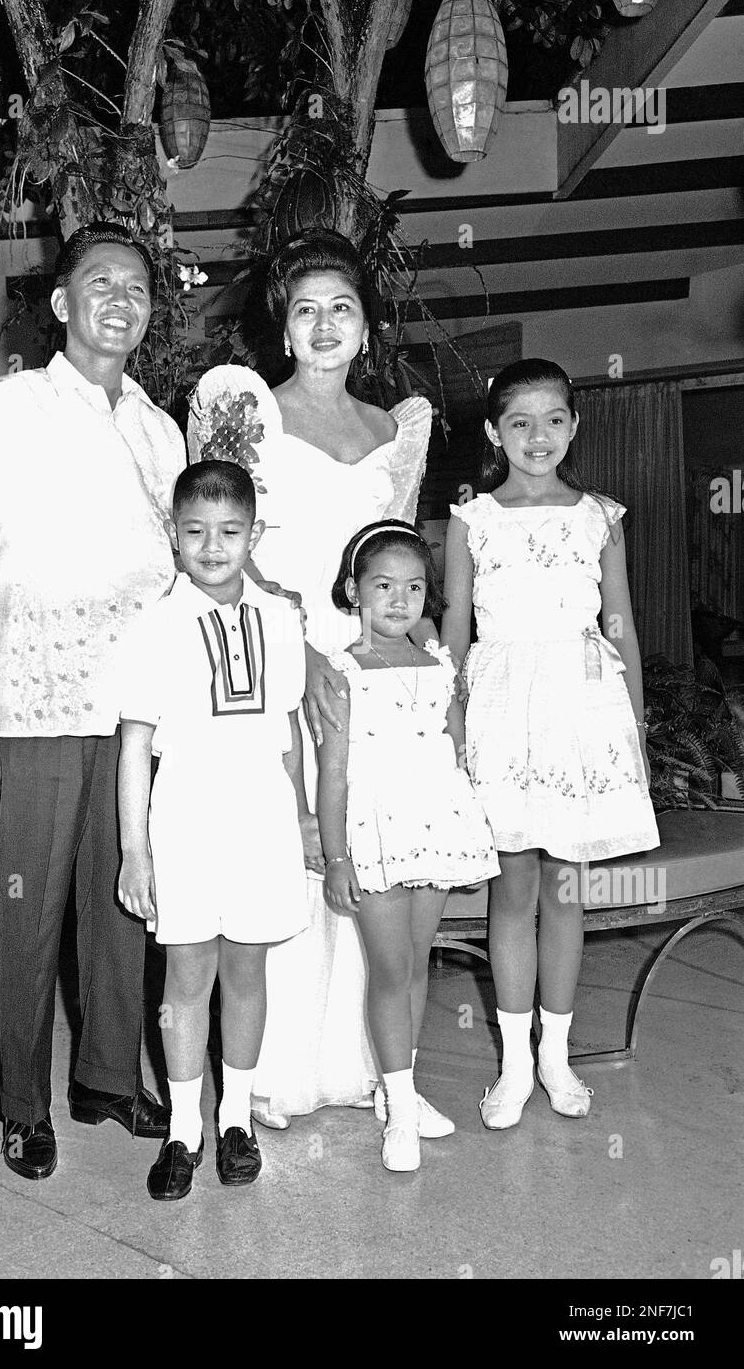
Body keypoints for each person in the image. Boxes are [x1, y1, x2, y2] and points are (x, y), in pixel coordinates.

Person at [0, 222, 186, 1179]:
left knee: (126, 887)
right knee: (26, 900)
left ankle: (108, 1079)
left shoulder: (158, 426)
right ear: (61, 303)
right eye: (100, 283)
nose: (120, 300)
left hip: (137, 697)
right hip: (38, 686)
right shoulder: (5, 406)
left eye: (136, 287)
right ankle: (23, 1103)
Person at [187, 229, 434, 1124]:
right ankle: (269, 1078)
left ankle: (373, 1070)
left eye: (342, 309)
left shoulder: (394, 431)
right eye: (305, 311)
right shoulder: (246, 414)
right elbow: (218, 550)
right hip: (275, 658)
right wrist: (300, 656)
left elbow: (394, 563)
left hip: (373, 670)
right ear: (281, 331)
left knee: (371, 856)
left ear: (366, 329)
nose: (324, 326)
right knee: (288, 858)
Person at [440, 358, 659, 1131]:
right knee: (515, 885)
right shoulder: (472, 521)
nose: (538, 436)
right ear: (495, 433)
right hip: (501, 707)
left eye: (554, 420)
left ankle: (556, 1055)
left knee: (569, 885)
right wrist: (456, 728)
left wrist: (631, 723)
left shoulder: (599, 515)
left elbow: (620, 624)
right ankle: (513, 1063)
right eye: (520, 423)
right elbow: (455, 633)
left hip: (581, 710)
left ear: (574, 425)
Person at [116, 461, 314, 1199]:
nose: (211, 545)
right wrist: (135, 851)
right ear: (172, 534)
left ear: (253, 534)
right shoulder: (155, 621)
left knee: (247, 970)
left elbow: (288, 734)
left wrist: (300, 818)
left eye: (229, 531)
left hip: (260, 814)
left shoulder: (280, 617)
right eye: (194, 531)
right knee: (187, 974)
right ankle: (182, 1129)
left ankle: (235, 1118)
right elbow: (136, 741)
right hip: (186, 817)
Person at [318, 521, 499, 1171]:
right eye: (383, 586)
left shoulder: (437, 665)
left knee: (419, 964)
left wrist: (466, 833)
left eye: (414, 587)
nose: (399, 600)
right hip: (375, 827)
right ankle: (396, 1109)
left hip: (433, 823)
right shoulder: (342, 671)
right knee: (389, 968)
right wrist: (336, 855)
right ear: (353, 591)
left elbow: (453, 750)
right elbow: (333, 772)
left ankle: (403, 1088)